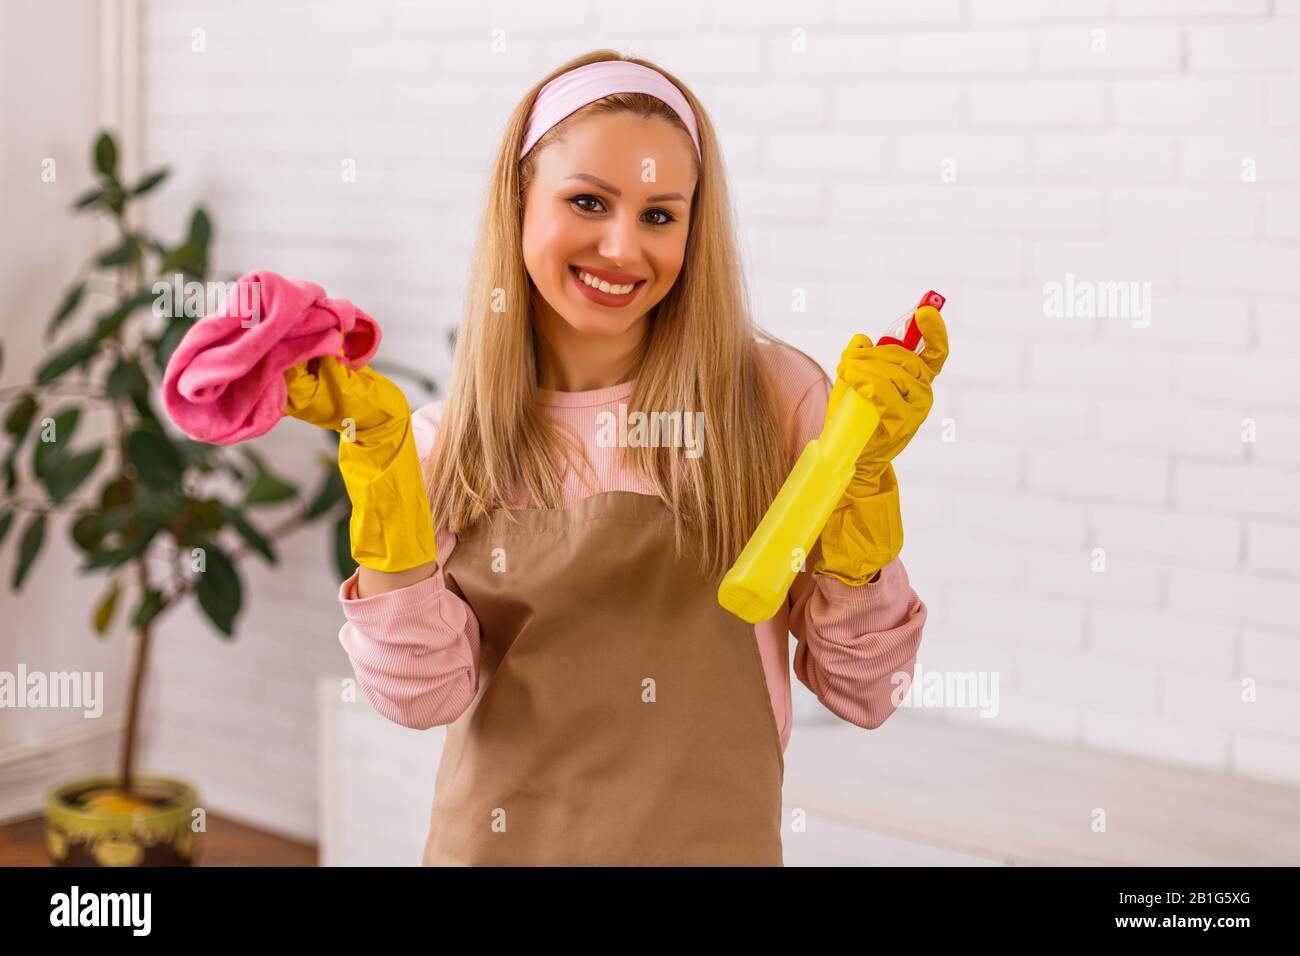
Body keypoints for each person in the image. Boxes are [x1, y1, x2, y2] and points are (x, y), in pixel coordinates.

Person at [281, 50, 948, 867]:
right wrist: (384, 482)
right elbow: (421, 700)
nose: (622, 247)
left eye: (661, 215)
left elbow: (866, 693)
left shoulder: (775, 401)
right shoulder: (445, 442)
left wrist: (863, 486)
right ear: (518, 203)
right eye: (588, 201)